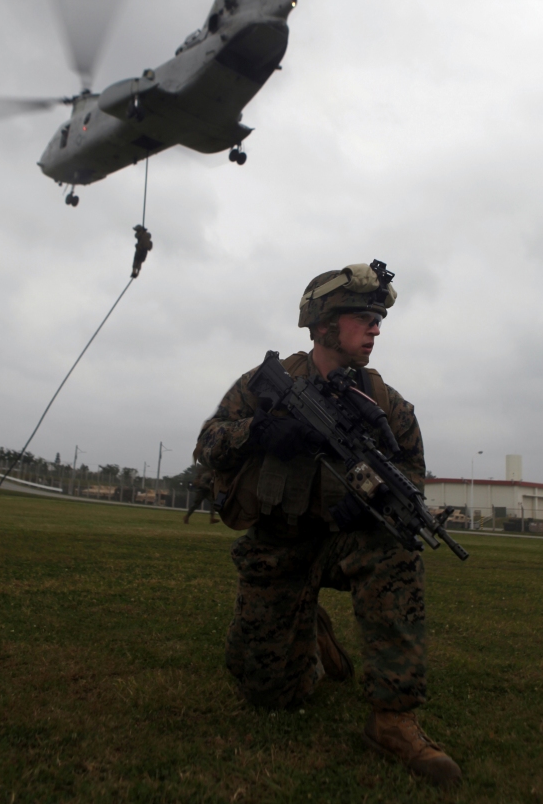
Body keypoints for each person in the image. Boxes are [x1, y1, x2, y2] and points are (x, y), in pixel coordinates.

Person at [193, 261, 461, 785]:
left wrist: (366, 503)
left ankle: (393, 718)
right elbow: (208, 444)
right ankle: (309, 628)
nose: (376, 328)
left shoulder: (388, 407)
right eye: (364, 316)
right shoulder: (262, 383)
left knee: (396, 548)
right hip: (279, 547)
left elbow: (409, 479)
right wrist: (261, 431)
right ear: (322, 326)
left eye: (379, 317)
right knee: (268, 693)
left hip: (347, 545)